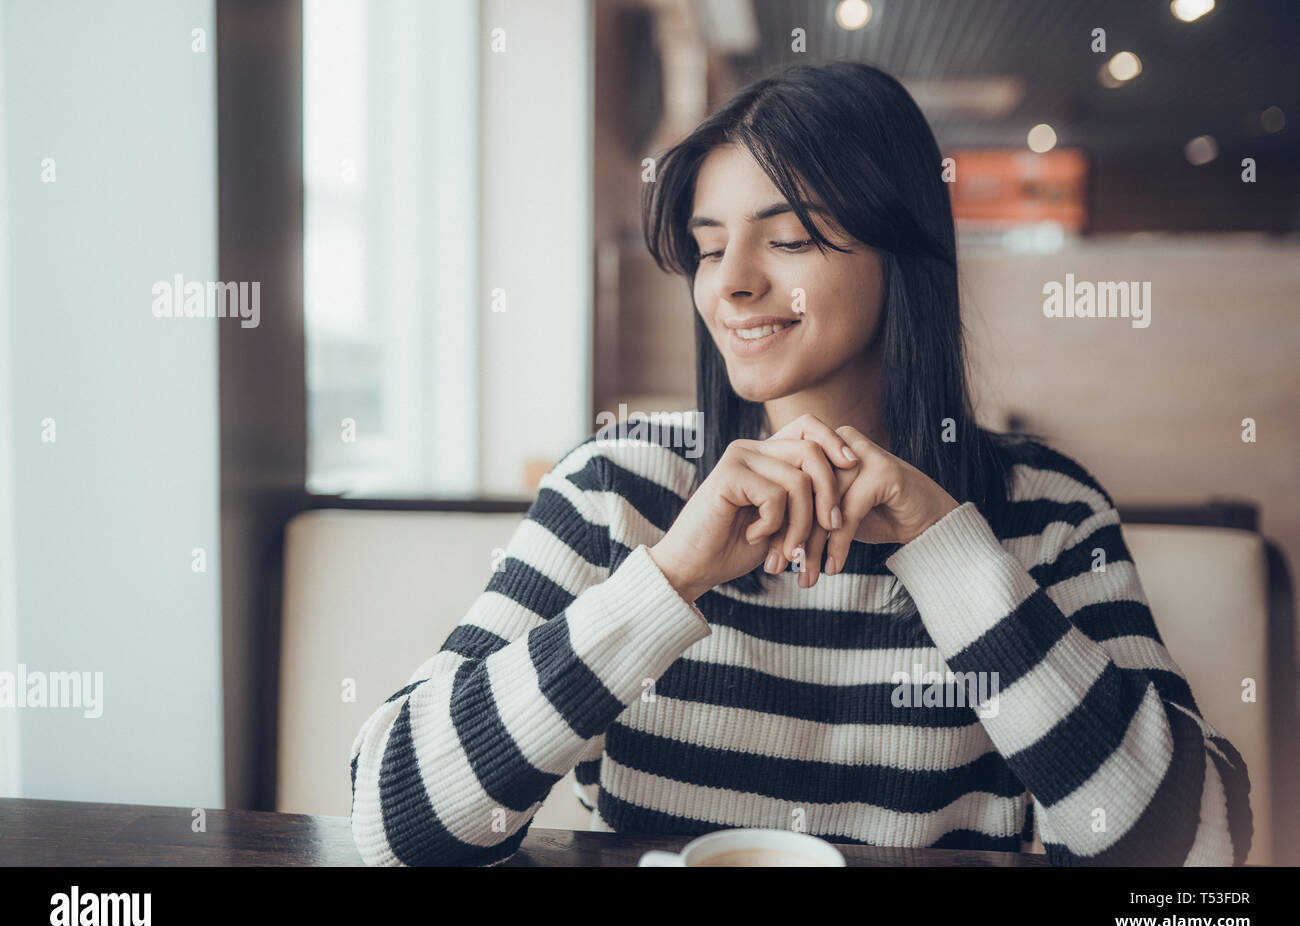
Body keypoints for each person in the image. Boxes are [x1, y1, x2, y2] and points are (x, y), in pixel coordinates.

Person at [349, 61, 1252, 867]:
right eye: (708, 248)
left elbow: (1199, 857)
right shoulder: (616, 488)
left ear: (900, 257)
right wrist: (671, 578)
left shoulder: (1046, 512)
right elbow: (392, 823)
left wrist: (949, 551)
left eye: (786, 240)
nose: (731, 282)